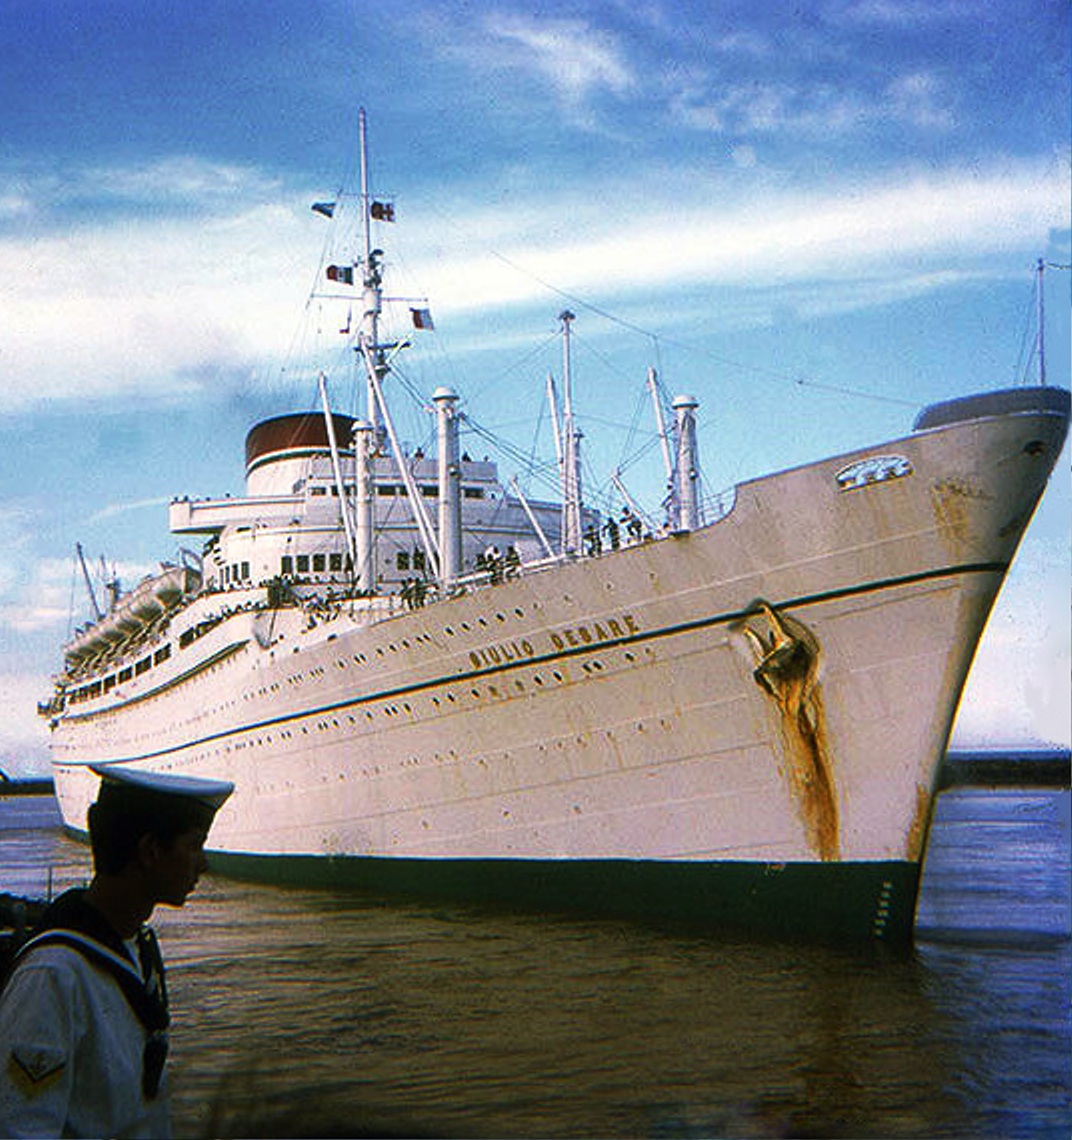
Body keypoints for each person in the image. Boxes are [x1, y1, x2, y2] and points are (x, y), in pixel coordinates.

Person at [0, 766, 233, 1139]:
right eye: (194, 845)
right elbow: (21, 1128)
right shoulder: (53, 976)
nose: (203, 863)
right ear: (151, 851)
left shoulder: (136, 951)